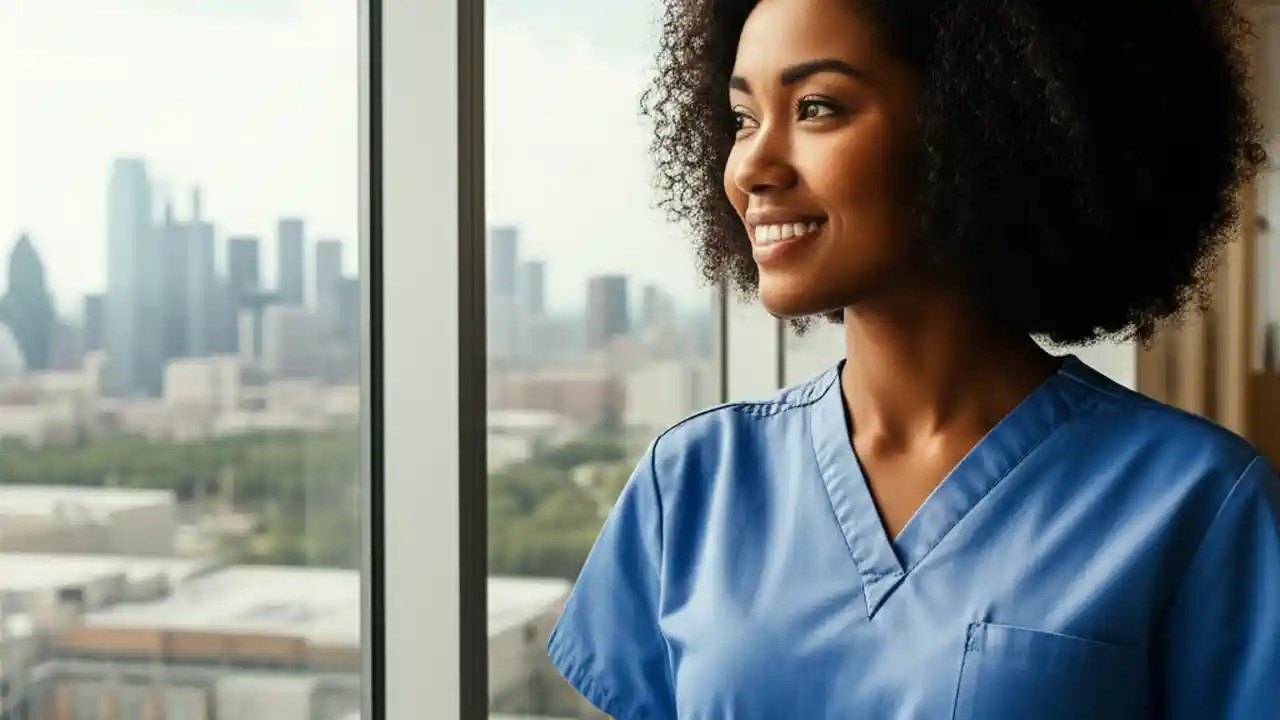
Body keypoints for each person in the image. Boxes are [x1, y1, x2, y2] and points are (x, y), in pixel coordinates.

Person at [547, 0, 1280, 717]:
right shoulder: (692, 483)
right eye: (743, 119)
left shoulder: (1196, 501)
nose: (752, 168)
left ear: (979, 127)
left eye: (817, 107)